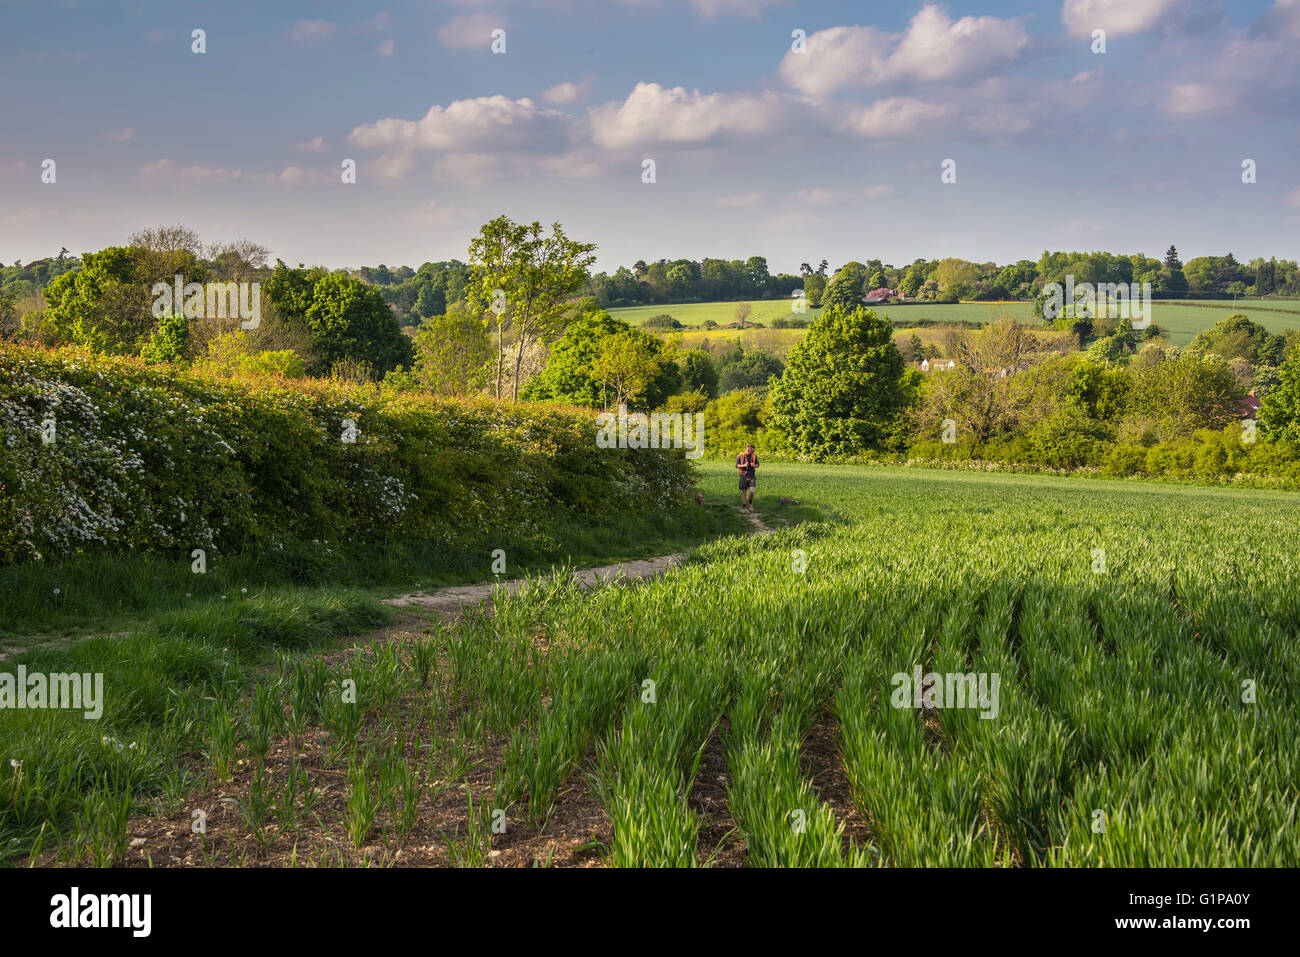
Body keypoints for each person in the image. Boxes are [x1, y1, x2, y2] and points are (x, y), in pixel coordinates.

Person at [735, 443, 758, 512]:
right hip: (743, 476)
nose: (753, 453)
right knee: (744, 492)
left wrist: (754, 465)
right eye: (752, 451)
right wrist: (744, 465)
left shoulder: (754, 456)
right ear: (748, 449)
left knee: (752, 491)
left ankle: (750, 502)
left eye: (753, 451)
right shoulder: (740, 456)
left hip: (752, 476)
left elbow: (757, 465)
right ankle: (744, 506)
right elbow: (736, 465)